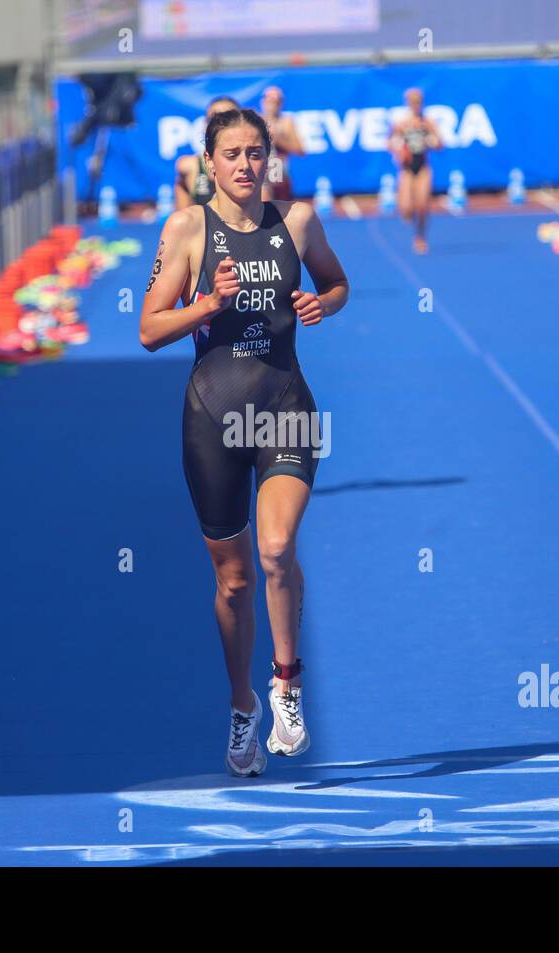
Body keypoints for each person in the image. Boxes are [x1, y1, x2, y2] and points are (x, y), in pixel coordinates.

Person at [140, 108, 349, 776]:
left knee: (278, 548)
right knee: (233, 581)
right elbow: (148, 330)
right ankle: (242, 706)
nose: (244, 165)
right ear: (208, 163)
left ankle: (286, 682)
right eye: (230, 154)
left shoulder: (299, 221)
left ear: (269, 159)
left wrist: (325, 305)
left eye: (254, 153)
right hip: (212, 418)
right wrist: (207, 305)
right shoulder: (186, 229)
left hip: (285, 405)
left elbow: (337, 284)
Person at [388, 87, 442, 254]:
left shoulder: (428, 123)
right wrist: (399, 152)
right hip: (407, 168)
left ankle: (420, 237)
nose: (415, 105)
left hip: (423, 166)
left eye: (418, 101)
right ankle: (411, 218)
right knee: (405, 208)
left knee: (422, 205)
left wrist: (431, 141)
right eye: (412, 102)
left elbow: (440, 144)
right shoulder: (401, 124)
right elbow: (389, 142)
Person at [174, 95, 240, 210]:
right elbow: (184, 220)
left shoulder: (255, 164)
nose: (221, 125)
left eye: (228, 119)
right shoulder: (188, 167)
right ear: (205, 125)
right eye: (214, 119)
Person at [259, 86, 305, 202]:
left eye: (276, 101)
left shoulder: (286, 122)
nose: (272, 105)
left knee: (282, 209)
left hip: (279, 172)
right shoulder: (256, 120)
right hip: (262, 172)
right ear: (263, 102)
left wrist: (278, 139)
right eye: (270, 100)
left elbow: (300, 150)